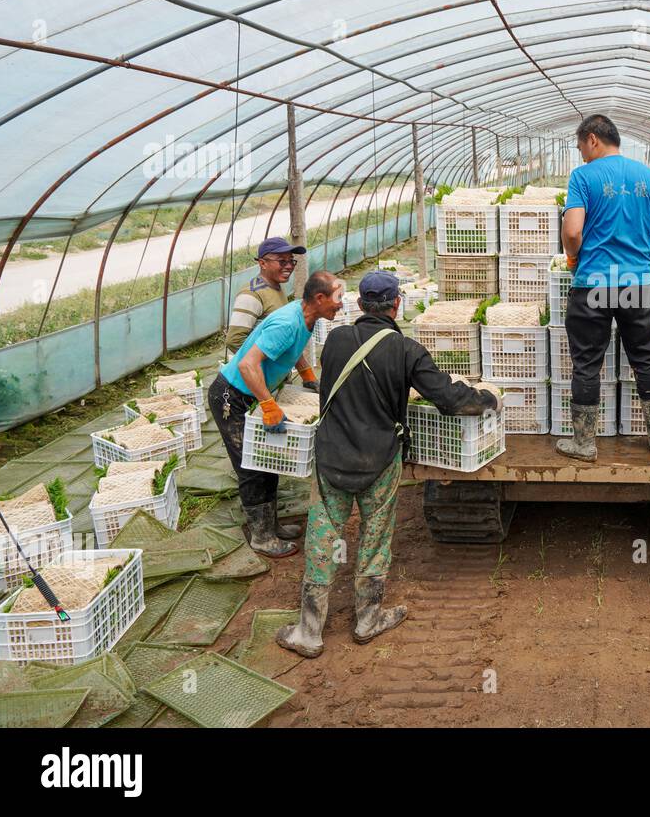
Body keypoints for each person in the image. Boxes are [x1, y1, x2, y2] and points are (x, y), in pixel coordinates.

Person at [276, 271, 502, 658]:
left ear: (360, 306)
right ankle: (367, 618)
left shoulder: (335, 340)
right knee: (375, 536)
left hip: (332, 455)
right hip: (379, 458)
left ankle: (309, 630)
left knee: (323, 537)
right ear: (397, 304)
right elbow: (448, 398)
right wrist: (485, 398)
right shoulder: (406, 349)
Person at [559, 114, 650, 461]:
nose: (581, 154)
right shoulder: (648, 176)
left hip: (595, 284)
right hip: (635, 282)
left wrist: (573, 257)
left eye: (581, 146)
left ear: (593, 139)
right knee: (643, 357)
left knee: (587, 362)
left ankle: (584, 443)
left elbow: (572, 232)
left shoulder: (583, 177)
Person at [209, 270, 344, 558]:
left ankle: (272, 526)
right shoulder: (287, 322)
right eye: (338, 298)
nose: (341, 304)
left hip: (250, 394)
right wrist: (269, 405)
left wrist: (306, 373)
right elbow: (247, 366)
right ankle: (261, 536)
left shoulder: (304, 317)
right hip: (231, 397)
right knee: (250, 465)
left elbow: (289, 348)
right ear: (319, 298)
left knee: (267, 459)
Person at [225, 236, 306, 355]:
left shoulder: (276, 286)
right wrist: (265, 364)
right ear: (263, 263)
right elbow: (234, 340)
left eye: (291, 260)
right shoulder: (251, 295)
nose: (289, 266)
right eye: (282, 261)